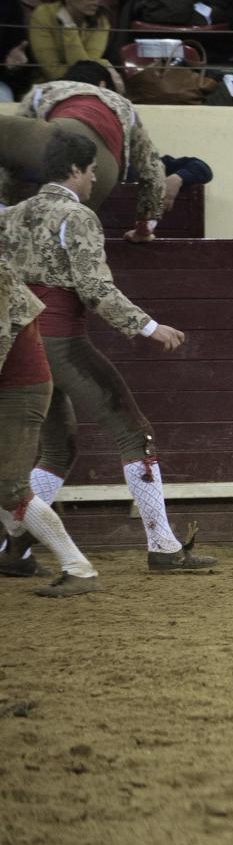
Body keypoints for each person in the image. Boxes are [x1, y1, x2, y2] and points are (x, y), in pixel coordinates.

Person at [0, 131, 218, 575]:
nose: (94, 180)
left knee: (57, 451)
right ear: (78, 170)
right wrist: (148, 327)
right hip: (61, 341)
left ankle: (13, 552)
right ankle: (163, 545)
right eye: (94, 172)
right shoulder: (76, 216)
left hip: (20, 344)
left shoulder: (11, 216)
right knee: (134, 433)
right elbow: (94, 286)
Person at [0, 244, 99, 595]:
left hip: (16, 389)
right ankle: (16, 540)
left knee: (10, 486)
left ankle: (79, 570)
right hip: (13, 382)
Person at [0, 63, 167, 241]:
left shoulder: (46, 89)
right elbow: (153, 170)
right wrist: (144, 228)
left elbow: (15, 153)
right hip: (102, 170)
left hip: (54, 141)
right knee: (63, 239)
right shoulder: (125, 106)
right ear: (104, 85)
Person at [27, 0, 112, 81]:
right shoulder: (43, 15)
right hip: (49, 87)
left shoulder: (101, 21)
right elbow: (51, 72)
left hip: (89, 88)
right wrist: (103, 64)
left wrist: (69, 26)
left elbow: (87, 73)